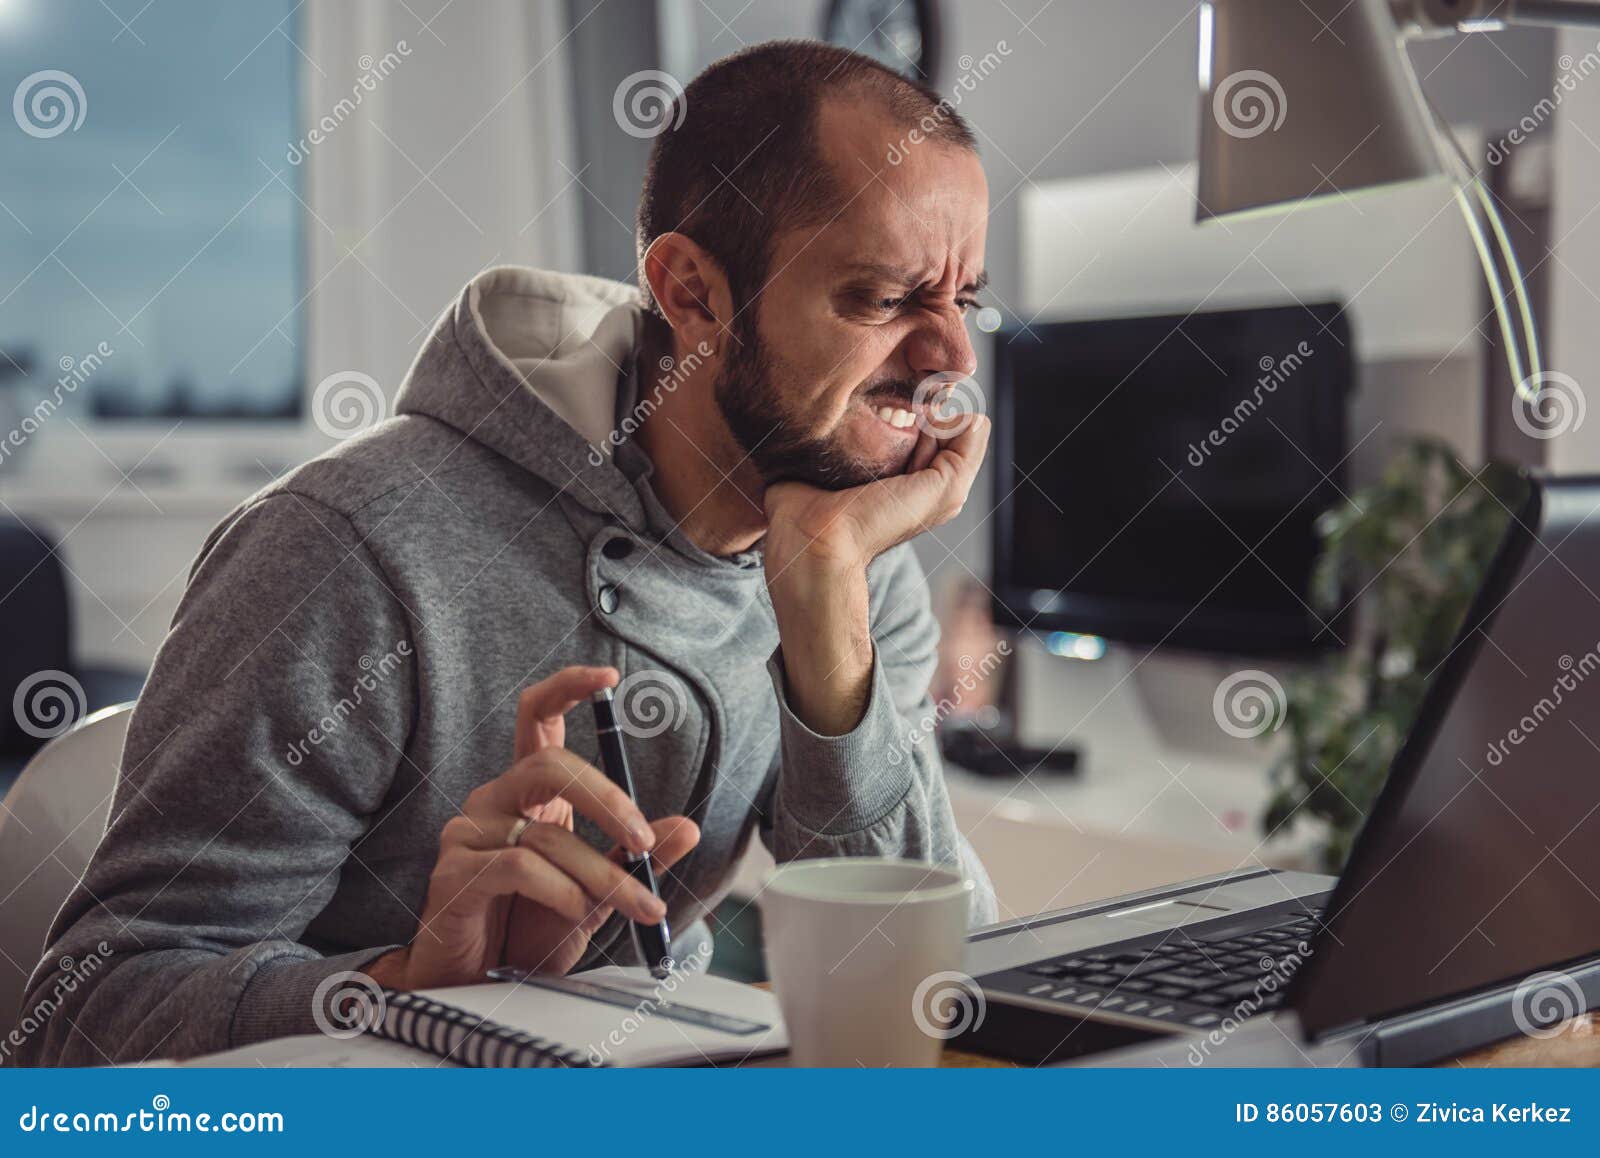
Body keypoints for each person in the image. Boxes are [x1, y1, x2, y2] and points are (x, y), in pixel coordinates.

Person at [16, 38, 997, 1065]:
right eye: (884, 299)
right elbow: (83, 1030)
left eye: (961, 301)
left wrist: (827, 600)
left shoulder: (844, 551)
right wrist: (404, 988)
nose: (952, 359)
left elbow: (928, 976)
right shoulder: (346, 550)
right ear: (693, 293)